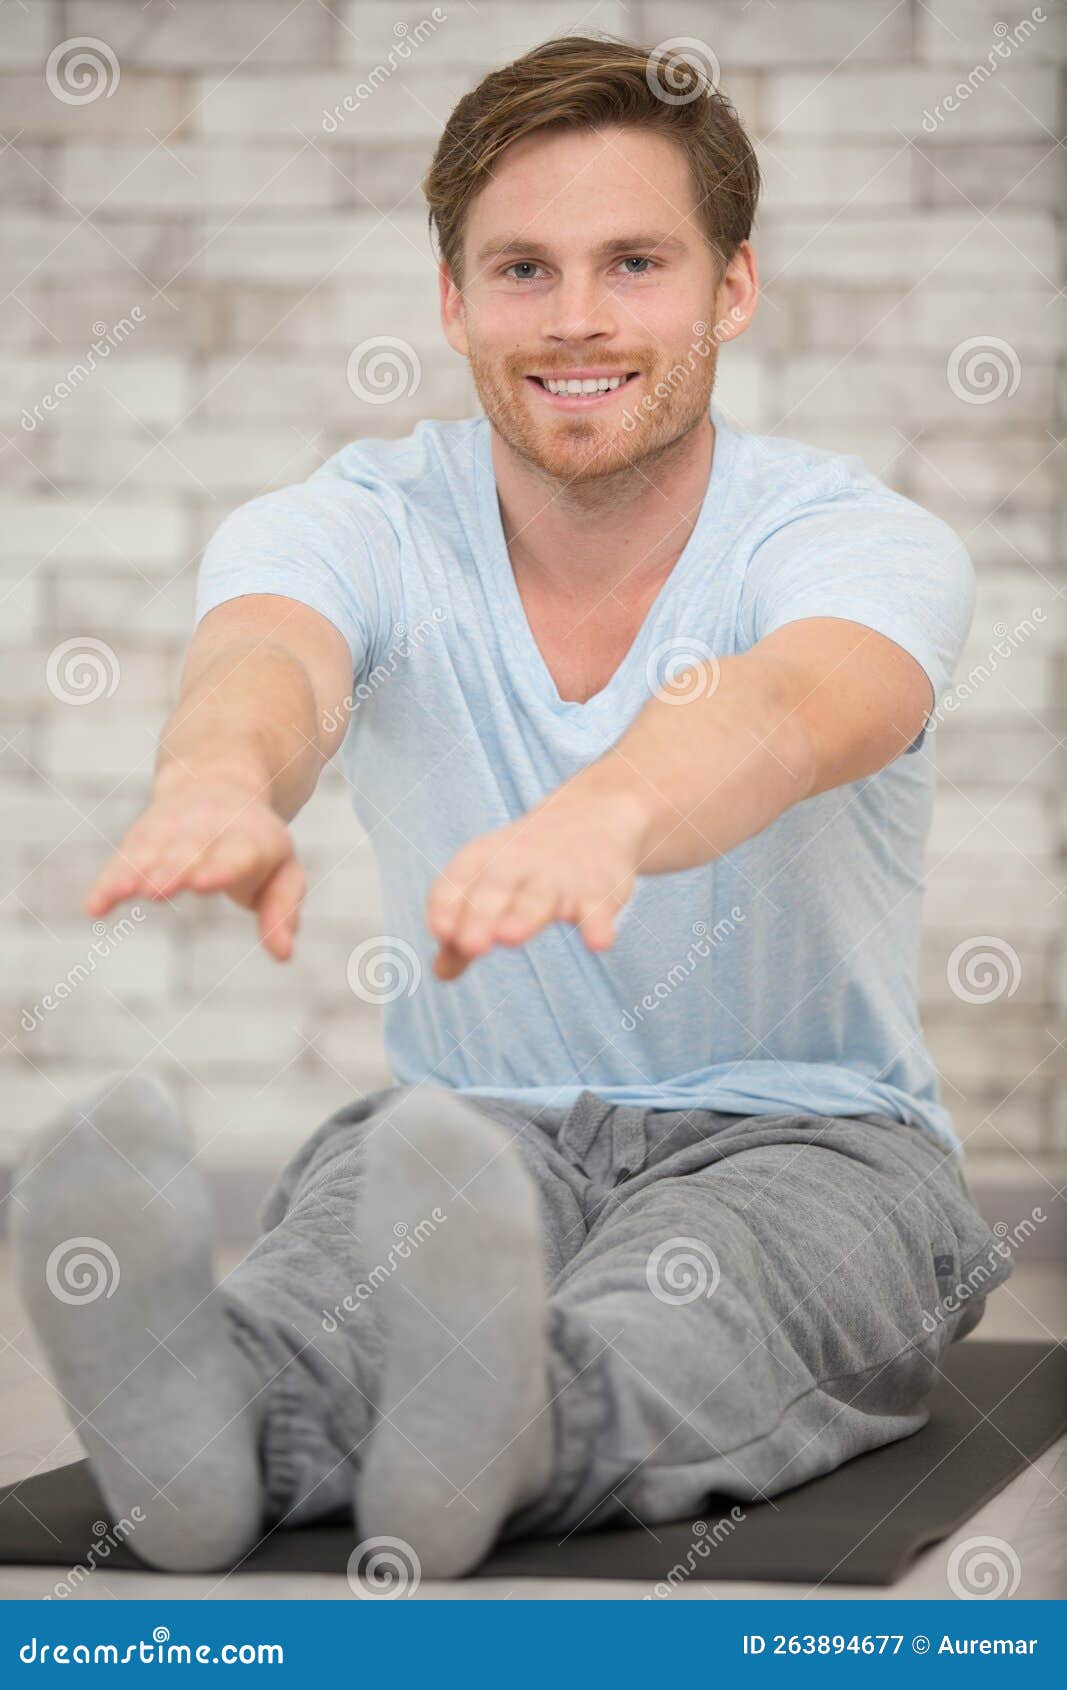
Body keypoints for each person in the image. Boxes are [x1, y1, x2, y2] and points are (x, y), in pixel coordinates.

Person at [15, 35, 1011, 1578]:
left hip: (815, 1139)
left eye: (634, 262)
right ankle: (211, 1422)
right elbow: (273, 652)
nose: (579, 320)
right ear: (455, 302)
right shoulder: (357, 518)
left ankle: (510, 1420)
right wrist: (219, 778)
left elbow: (798, 706)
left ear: (731, 289)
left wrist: (605, 816)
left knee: (705, 1302)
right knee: (342, 1272)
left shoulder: (851, 538)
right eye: (524, 270)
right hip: (467, 1139)